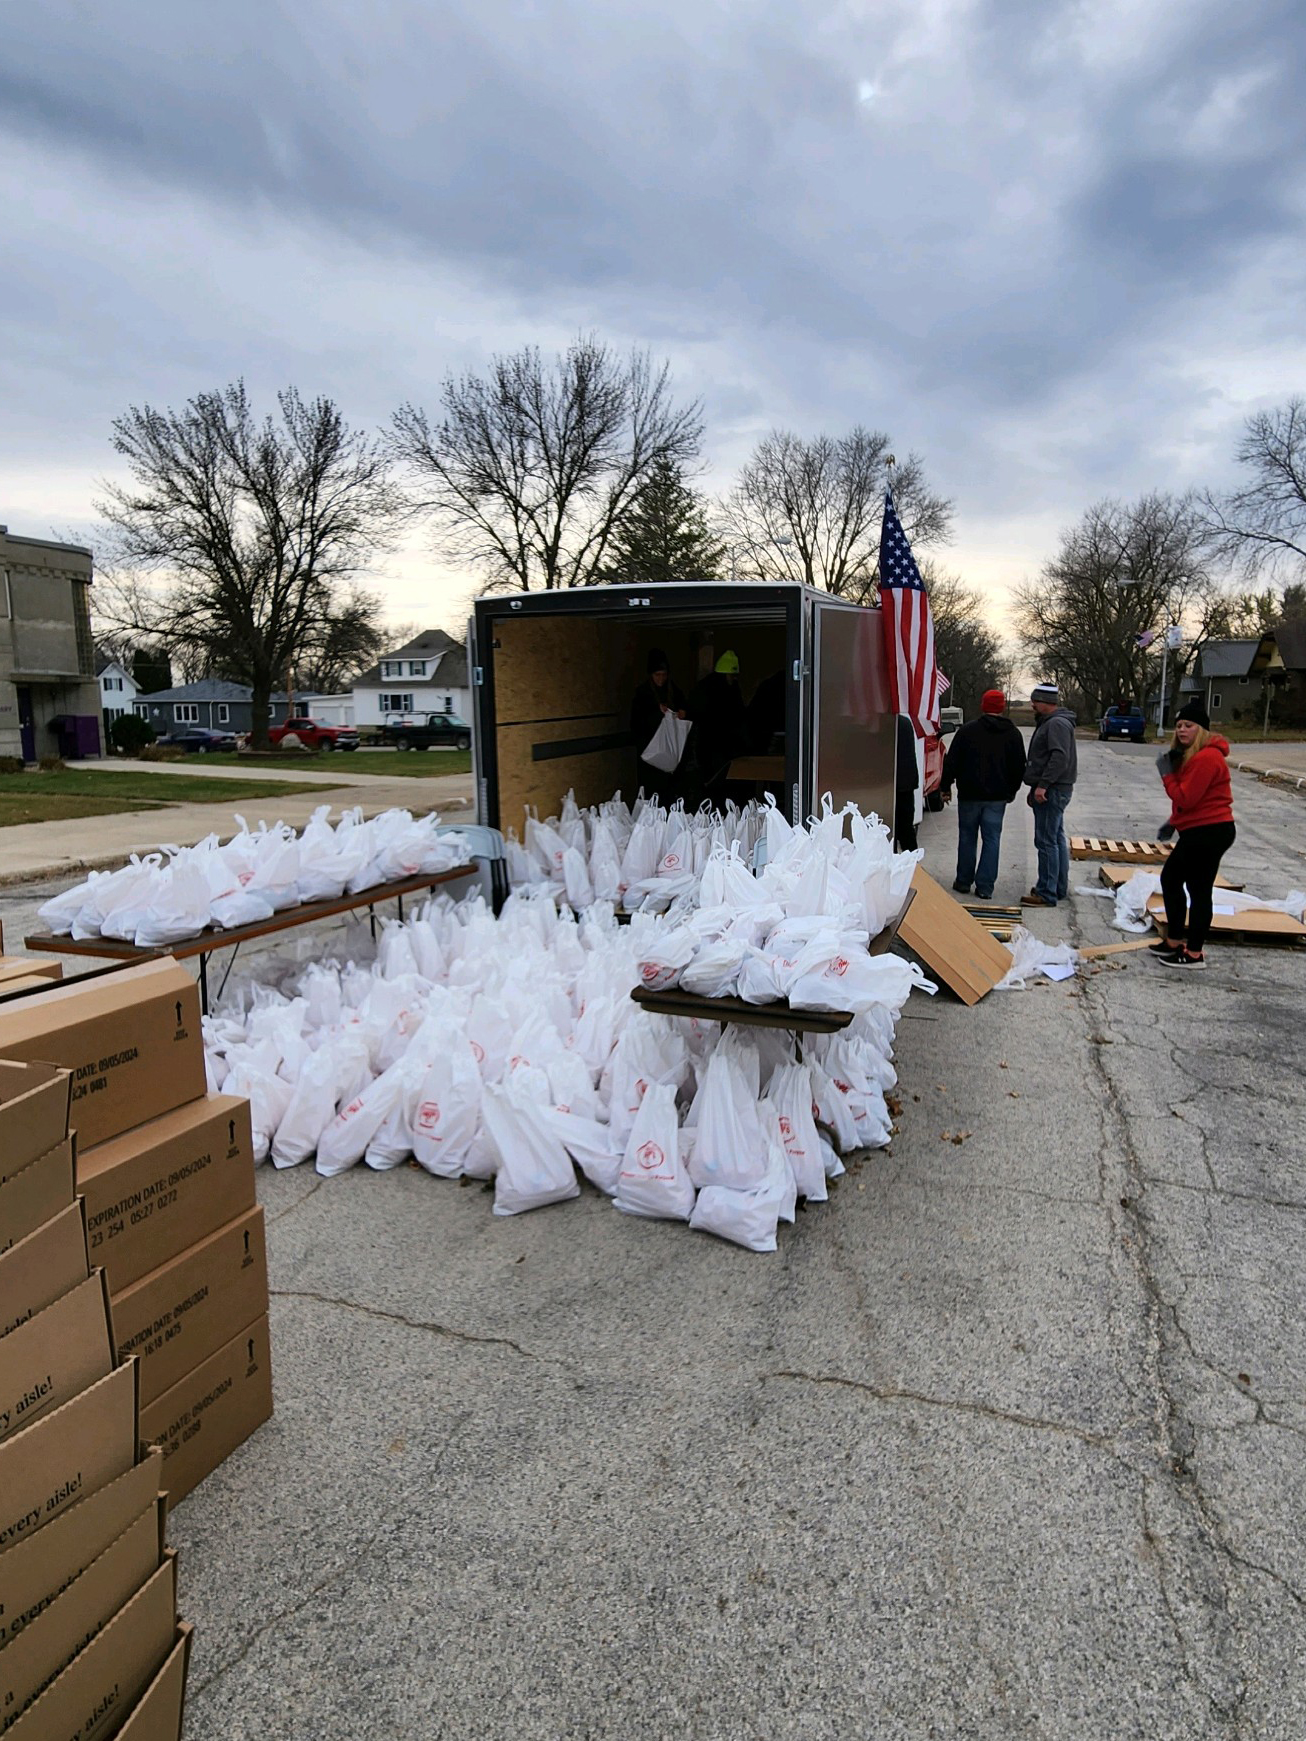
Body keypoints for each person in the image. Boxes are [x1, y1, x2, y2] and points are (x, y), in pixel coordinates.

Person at [1151, 700, 1235, 970]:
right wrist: (1173, 822)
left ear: (1203, 730)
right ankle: (1175, 942)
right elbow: (1191, 804)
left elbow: (1186, 798)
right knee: (1187, 885)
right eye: (1178, 726)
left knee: (1183, 883)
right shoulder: (1193, 756)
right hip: (1202, 829)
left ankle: (1193, 952)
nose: (1182, 731)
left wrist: (1168, 776)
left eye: (1189, 725)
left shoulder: (1207, 758)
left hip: (1210, 831)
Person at [940, 689, 1027, 900]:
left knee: (967, 837)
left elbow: (952, 762)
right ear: (1002, 707)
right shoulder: (1012, 734)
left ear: (983, 705)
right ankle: (985, 886)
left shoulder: (968, 731)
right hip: (997, 797)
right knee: (992, 839)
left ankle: (963, 881)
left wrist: (945, 786)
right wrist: (1011, 790)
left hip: (969, 795)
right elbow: (1019, 767)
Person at [1020, 681, 1078, 908]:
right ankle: (1057, 887)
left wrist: (1042, 785)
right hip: (1054, 788)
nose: (1032, 704)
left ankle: (1046, 892)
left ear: (1047, 702)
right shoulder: (1055, 722)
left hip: (1053, 790)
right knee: (1055, 839)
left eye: (1035, 701)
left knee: (1045, 841)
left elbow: (1059, 757)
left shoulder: (1056, 725)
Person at [688, 651, 749, 804]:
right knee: (716, 790)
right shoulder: (713, 691)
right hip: (714, 750)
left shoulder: (718, 688)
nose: (734, 679)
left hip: (718, 750)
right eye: (732, 675)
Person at [630, 649, 686, 804]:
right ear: (651, 675)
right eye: (657, 675)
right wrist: (656, 713)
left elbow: (684, 705)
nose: (661, 679)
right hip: (650, 751)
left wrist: (681, 711)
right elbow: (637, 723)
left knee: (669, 789)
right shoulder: (642, 694)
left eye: (664, 675)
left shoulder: (673, 690)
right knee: (651, 790)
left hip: (669, 751)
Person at [893, 714, 920, 852]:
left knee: (889, 831)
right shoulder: (905, 723)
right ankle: (912, 865)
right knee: (906, 830)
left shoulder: (880, 723)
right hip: (906, 785)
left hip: (887, 785)